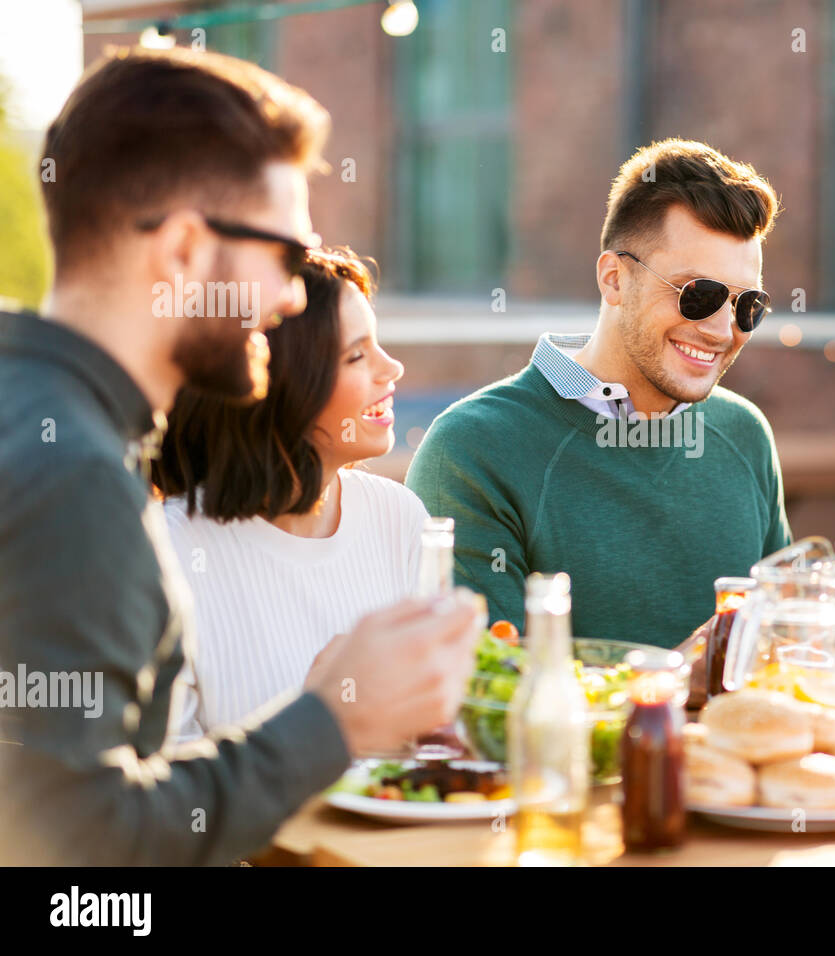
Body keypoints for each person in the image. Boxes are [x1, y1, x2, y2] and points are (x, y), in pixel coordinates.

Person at [0, 47, 480, 866]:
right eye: (285, 256)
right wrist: (331, 721)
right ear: (184, 252)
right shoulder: (75, 476)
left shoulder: (43, 416)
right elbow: (70, 858)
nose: (295, 296)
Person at [405, 139, 792, 649]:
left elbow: (778, 652)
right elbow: (483, 692)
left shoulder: (745, 434)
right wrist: (675, 680)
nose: (723, 331)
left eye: (748, 306)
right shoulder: (471, 449)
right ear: (614, 279)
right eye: (699, 295)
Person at [154, 246, 431, 745]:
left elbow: (433, 731)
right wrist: (312, 725)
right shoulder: (166, 556)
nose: (392, 370)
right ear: (278, 386)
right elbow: (168, 795)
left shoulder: (400, 517)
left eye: (379, 344)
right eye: (357, 355)